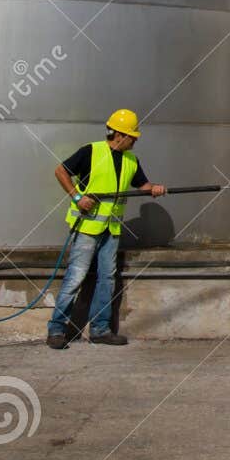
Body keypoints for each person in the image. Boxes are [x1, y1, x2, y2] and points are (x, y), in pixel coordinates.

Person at [47, 109, 165, 349]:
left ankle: (101, 330)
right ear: (120, 135)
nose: (136, 139)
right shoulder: (91, 151)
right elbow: (61, 171)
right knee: (75, 278)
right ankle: (57, 330)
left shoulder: (132, 161)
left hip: (111, 230)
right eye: (133, 135)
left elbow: (143, 185)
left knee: (107, 279)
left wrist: (154, 189)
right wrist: (78, 197)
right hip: (88, 228)